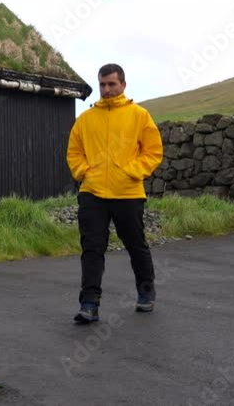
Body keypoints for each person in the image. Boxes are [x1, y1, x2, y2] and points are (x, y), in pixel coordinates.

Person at [65, 63, 164, 324]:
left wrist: (133, 171)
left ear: (123, 85)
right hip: (93, 192)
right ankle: (89, 304)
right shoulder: (85, 119)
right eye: (102, 84)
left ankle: (146, 292)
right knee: (92, 249)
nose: (107, 89)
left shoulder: (139, 115)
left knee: (135, 245)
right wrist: (84, 172)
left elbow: (153, 152)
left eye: (112, 84)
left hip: (128, 192)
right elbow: (74, 152)